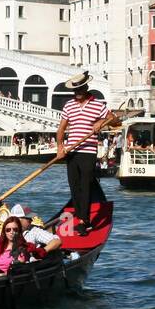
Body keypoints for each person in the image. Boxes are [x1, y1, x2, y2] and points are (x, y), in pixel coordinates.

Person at [55, 71, 119, 234]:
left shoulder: (98, 105)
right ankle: (81, 216)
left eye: (79, 90)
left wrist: (102, 123)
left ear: (86, 88)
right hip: (71, 151)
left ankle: (85, 221)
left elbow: (115, 120)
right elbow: (61, 128)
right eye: (75, 91)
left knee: (85, 185)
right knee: (74, 186)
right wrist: (60, 148)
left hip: (88, 151)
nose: (77, 93)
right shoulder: (68, 105)